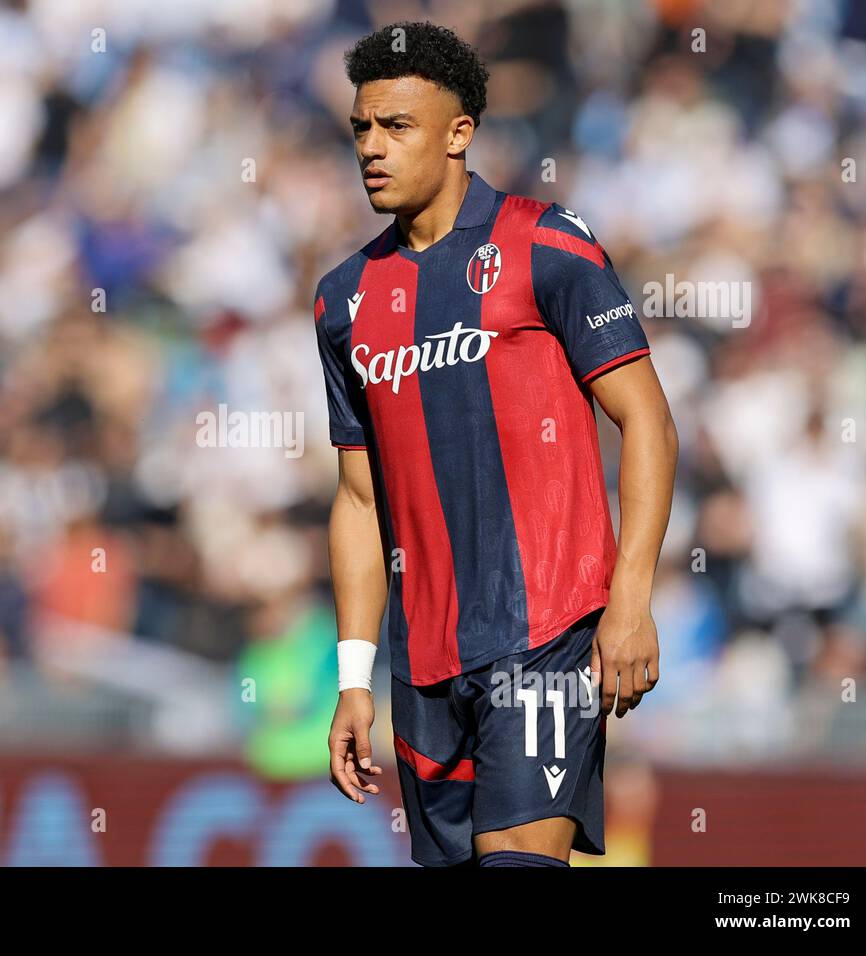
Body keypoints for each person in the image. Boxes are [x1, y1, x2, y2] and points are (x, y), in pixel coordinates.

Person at [315, 21, 678, 867]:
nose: (372, 146)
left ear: (458, 134)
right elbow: (361, 498)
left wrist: (629, 598)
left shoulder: (546, 243)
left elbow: (649, 421)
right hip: (424, 661)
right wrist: (352, 679)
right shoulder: (344, 299)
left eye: (397, 126)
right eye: (362, 128)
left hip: (546, 630)